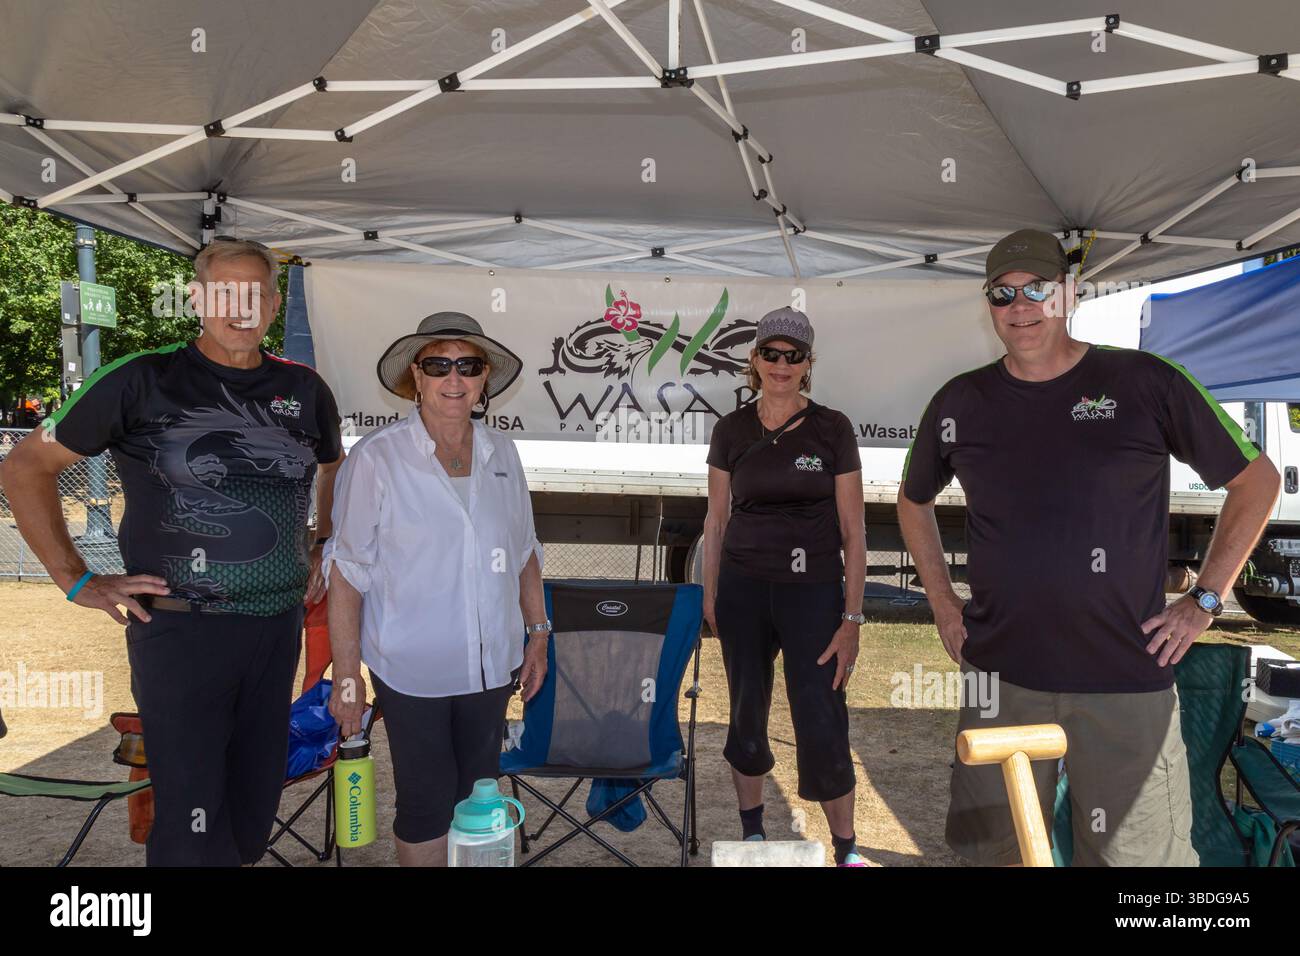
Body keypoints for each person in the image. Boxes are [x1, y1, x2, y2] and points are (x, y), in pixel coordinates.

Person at [898, 228, 1281, 866]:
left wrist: (1206, 598)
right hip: (1003, 678)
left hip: (1124, 680)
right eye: (1003, 294)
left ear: (1069, 294)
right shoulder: (960, 401)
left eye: (1037, 291)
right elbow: (914, 501)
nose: (1020, 306)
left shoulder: (1144, 382)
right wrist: (942, 602)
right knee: (994, 856)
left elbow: (1257, 481)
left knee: (1132, 867)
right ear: (988, 303)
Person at [0, 237, 343, 865]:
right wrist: (77, 580)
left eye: (254, 293)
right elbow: (25, 467)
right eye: (223, 291)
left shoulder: (305, 388)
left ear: (273, 303)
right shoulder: (142, 379)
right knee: (190, 819)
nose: (240, 307)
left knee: (252, 807)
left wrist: (324, 538)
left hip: (275, 629)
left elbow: (331, 466)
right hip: (182, 632)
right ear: (197, 299)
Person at [324, 311, 549, 867]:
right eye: (439, 365)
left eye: (468, 366)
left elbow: (524, 552)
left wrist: (538, 632)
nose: (455, 378)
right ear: (416, 379)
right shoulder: (377, 457)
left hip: (493, 666)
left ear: (484, 380)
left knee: (480, 797)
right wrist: (347, 675)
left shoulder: (504, 453)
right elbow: (347, 571)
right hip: (410, 669)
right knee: (425, 803)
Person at [702, 306, 868, 867]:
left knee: (821, 712)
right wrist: (709, 592)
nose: (780, 364)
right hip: (743, 589)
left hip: (814, 591)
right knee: (746, 709)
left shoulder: (832, 427)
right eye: (770, 354)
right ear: (754, 361)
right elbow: (716, 520)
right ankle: (753, 835)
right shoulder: (731, 430)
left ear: (807, 365)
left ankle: (845, 849)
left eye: (792, 356)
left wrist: (852, 618)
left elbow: (854, 528)